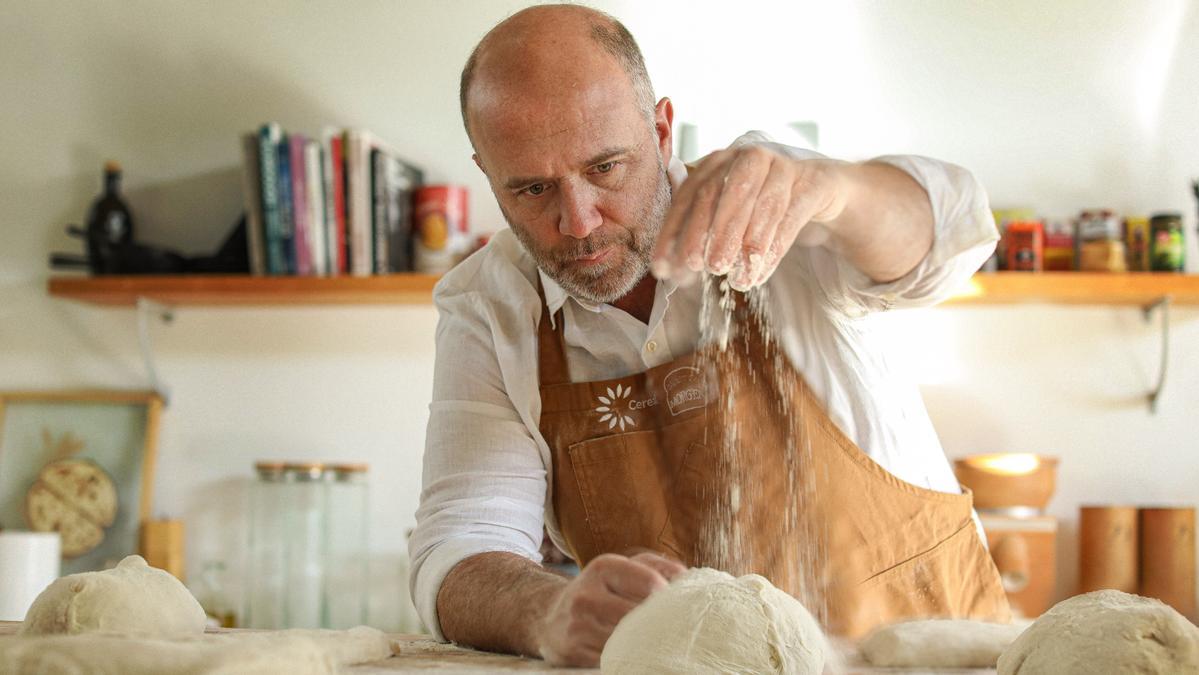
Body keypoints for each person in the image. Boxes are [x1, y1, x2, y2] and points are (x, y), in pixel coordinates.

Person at [409, 4, 1009, 667]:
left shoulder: (782, 208)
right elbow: (460, 544)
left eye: (605, 168)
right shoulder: (488, 307)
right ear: (486, 170)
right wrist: (544, 610)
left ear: (661, 130)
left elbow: (956, 234)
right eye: (531, 189)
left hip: (930, 659)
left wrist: (840, 191)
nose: (578, 222)